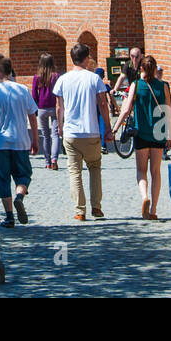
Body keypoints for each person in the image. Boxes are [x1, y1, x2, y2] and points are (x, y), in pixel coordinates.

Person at [52, 41, 112, 220]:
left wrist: (61, 126)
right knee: (94, 168)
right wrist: (108, 128)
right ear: (86, 59)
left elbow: (58, 107)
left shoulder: (63, 79)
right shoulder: (94, 78)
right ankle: (96, 207)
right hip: (91, 131)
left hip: (71, 132)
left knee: (74, 172)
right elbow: (103, 104)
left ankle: (79, 210)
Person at [0, 58, 39, 228]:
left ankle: (9, 217)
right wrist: (34, 139)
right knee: (23, 175)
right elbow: (32, 117)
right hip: (21, 141)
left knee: (2, 179)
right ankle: (19, 196)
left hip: (0, 143)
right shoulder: (23, 90)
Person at [127, 56, 171, 219]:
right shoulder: (163, 86)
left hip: (142, 132)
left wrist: (115, 128)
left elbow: (126, 110)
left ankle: (144, 196)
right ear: (155, 69)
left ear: (141, 69)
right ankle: (153, 210)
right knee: (156, 172)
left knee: (141, 170)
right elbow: (168, 111)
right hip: (159, 134)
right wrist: (170, 134)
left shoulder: (137, 85)